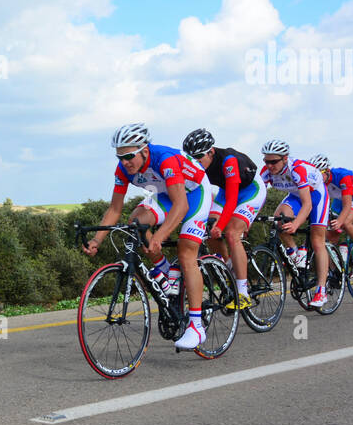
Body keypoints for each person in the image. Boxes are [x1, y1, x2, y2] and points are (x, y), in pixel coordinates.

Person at [83, 122, 213, 350]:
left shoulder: (165, 159)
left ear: (144, 150)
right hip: (165, 194)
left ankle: (196, 326)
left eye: (129, 156)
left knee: (186, 252)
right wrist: (96, 240)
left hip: (194, 194)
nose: (124, 162)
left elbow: (181, 205)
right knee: (136, 222)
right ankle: (163, 271)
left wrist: (160, 236)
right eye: (120, 157)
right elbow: (115, 209)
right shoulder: (123, 169)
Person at [182, 129, 265, 310]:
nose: (194, 162)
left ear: (211, 151)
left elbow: (233, 199)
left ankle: (243, 293)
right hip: (225, 192)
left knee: (231, 233)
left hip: (250, 191)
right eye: (191, 159)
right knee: (208, 230)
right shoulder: (195, 166)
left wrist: (221, 224)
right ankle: (230, 267)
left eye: (198, 157)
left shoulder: (229, 160)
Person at [260, 139, 331, 309]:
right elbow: (259, 197)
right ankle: (295, 252)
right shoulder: (266, 172)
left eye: (273, 161)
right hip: (295, 195)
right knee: (279, 219)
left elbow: (307, 204)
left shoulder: (296, 169)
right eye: (266, 161)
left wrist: (296, 224)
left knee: (317, 241)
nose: (269, 165)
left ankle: (321, 290)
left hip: (316, 195)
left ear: (285, 158)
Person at [310, 155, 353, 269]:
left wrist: (339, 221)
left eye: (319, 174)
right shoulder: (317, 182)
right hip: (339, 199)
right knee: (329, 236)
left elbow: (347, 205)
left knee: (345, 223)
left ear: (327, 171)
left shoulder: (343, 176)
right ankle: (336, 270)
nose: (316, 178)